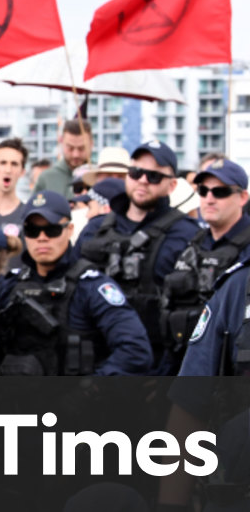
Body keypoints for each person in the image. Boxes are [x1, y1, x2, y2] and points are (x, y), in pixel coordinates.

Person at [0, 191, 152, 376]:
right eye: (32, 231)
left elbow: (135, 351)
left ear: (69, 230)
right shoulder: (11, 285)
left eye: (52, 230)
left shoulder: (91, 286)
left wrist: (89, 393)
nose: (42, 238)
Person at [75, 139, 200, 369]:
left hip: (157, 367)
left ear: (171, 185)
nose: (143, 180)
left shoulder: (187, 235)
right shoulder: (95, 228)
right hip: (94, 365)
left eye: (154, 176)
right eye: (136, 172)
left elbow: (196, 318)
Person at [160, 160, 250, 370]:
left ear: (242, 197)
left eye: (220, 192)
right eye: (203, 190)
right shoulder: (191, 244)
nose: (209, 199)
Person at [33, 118, 93, 196]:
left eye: (81, 148)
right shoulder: (47, 178)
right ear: (61, 141)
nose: (76, 154)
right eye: (70, 148)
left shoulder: (102, 176)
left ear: (91, 144)